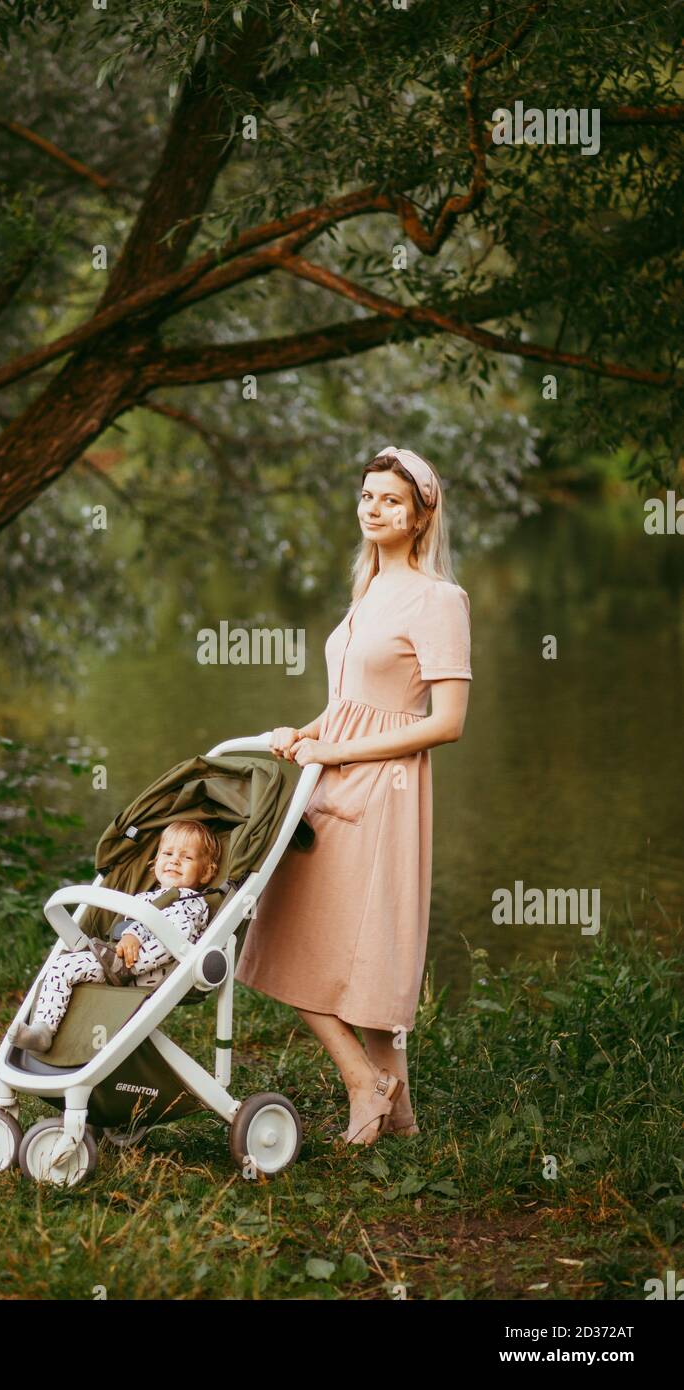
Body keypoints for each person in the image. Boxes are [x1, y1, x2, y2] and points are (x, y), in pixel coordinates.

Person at [234, 445, 472, 1147]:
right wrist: (304, 730)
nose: (374, 509)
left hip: (385, 788)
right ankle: (399, 1119)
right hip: (329, 778)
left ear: (421, 516)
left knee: (350, 948)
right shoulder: (367, 586)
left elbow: (446, 722)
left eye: (391, 500)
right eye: (367, 496)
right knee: (288, 935)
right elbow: (351, 700)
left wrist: (334, 748)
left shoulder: (439, 600)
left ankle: (363, 1081)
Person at [10, 820, 220, 1053]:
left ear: (207, 872)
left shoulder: (192, 901)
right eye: (167, 853)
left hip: (158, 970)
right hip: (117, 966)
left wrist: (134, 935)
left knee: (172, 934)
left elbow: (175, 930)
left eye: (187, 857)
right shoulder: (142, 898)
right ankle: (42, 1030)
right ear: (154, 863)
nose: (174, 860)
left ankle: (118, 964)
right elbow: (127, 926)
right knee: (62, 966)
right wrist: (129, 935)